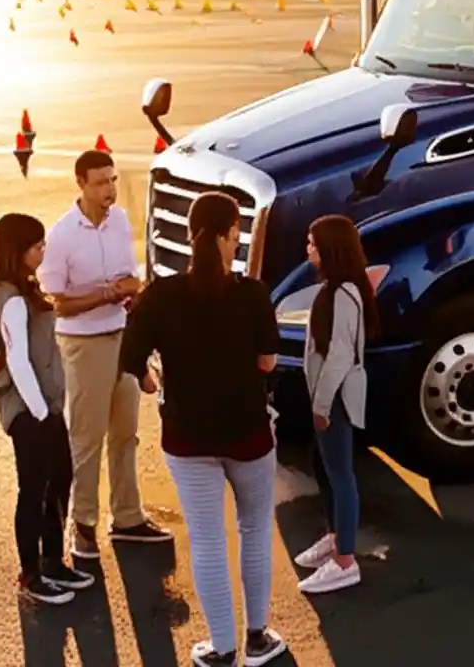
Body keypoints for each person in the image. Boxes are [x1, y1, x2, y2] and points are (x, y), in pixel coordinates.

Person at [119, 191, 287, 667]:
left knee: (208, 538)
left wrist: (157, 384)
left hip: (187, 437)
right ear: (229, 234)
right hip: (249, 433)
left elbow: (132, 357)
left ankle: (222, 647)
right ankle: (257, 638)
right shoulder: (252, 294)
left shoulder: (162, 295)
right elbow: (267, 361)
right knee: (253, 529)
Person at [37, 150, 172, 560]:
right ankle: (82, 525)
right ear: (81, 183)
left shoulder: (119, 222)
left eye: (113, 180)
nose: (110, 189)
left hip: (122, 338)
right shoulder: (62, 235)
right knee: (86, 439)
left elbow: (131, 278)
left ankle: (128, 518)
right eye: (100, 182)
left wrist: (130, 302)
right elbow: (55, 301)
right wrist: (108, 293)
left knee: (126, 434)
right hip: (84, 347)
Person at [0, 213, 94, 605]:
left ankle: (52, 562)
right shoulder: (8, 298)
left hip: (45, 406)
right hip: (30, 411)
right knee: (34, 489)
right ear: (17, 250)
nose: (43, 250)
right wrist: (41, 413)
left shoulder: (22, 287)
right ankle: (32, 575)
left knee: (59, 479)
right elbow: (18, 360)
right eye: (36, 245)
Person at [292, 214, 379, 594]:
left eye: (313, 243)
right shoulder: (335, 288)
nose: (308, 249)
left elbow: (340, 357)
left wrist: (322, 406)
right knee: (325, 468)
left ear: (330, 248)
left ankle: (345, 560)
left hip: (336, 399)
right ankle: (334, 536)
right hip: (328, 398)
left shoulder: (343, 294)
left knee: (340, 475)